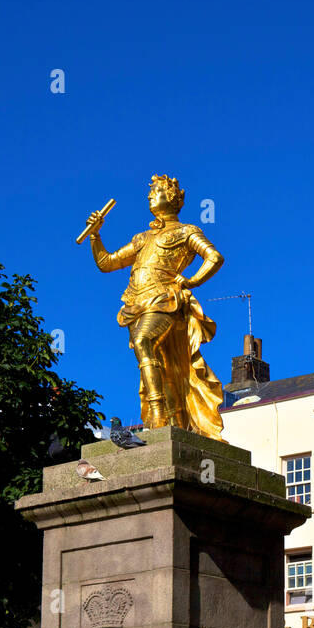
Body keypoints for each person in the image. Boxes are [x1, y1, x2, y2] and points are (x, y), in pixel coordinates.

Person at [86, 175, 225, 437]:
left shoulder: (187, 232)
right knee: (161, 362)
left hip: (165, 300)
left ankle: (158, 413)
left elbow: (214, 257)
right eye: (150, 192)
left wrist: (191, 280)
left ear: (171, 198)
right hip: (135, 303)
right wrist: (95, 235)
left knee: (143, 341)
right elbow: (106, 263)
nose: (150, 195)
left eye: (157, 191)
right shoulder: (142, 238)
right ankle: (168, 421)